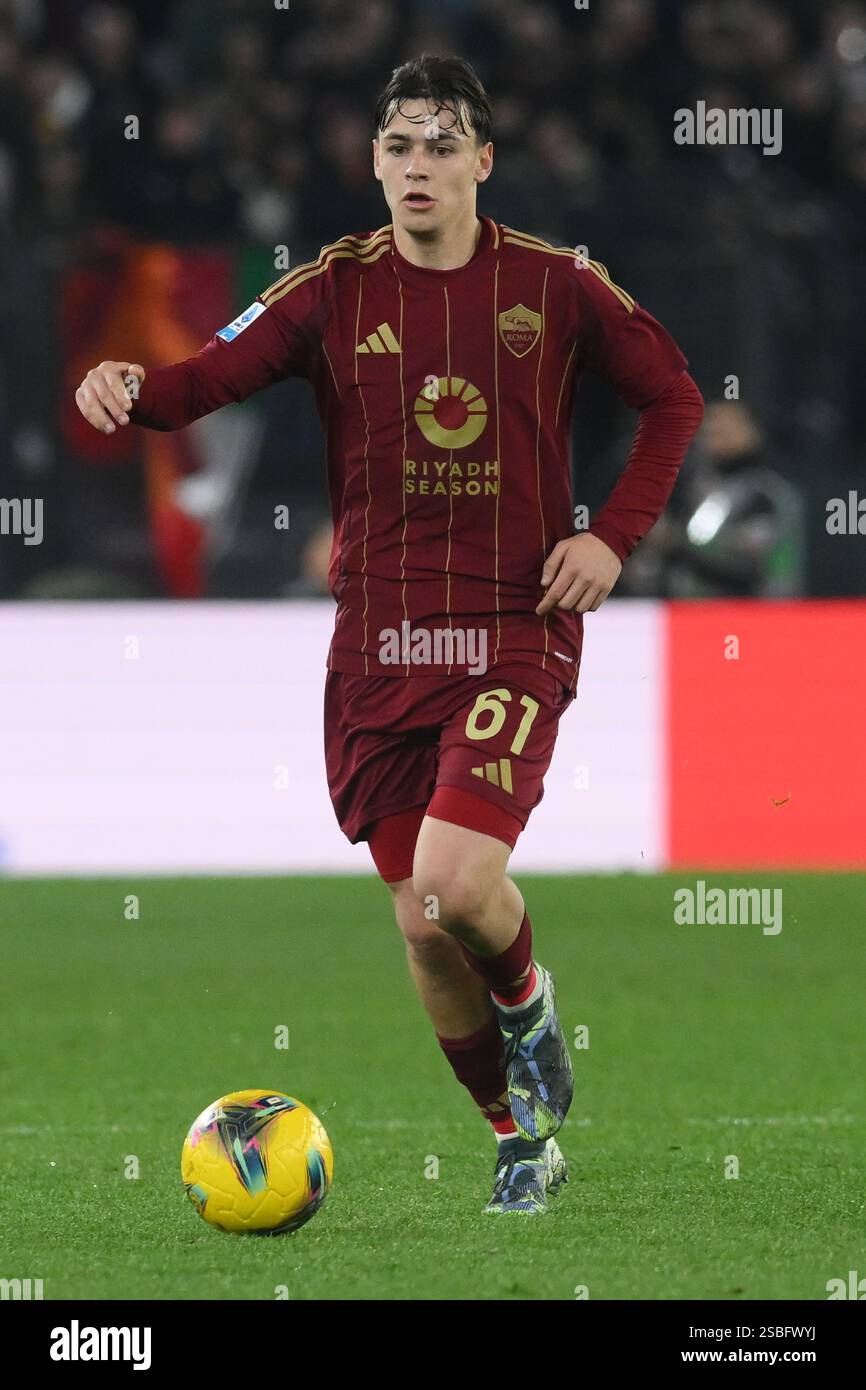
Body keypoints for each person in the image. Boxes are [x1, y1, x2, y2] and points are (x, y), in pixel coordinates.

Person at [75, 53, 704, 1215]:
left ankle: (527, 1005)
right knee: (421, 927)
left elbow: (672, 395)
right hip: (377, 650)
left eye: (441, 143)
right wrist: (125, 383)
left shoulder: (556, 285)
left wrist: (612, 537)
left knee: (459, 885)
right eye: (399, 145)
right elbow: (201, 382)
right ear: (373, 162)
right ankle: (518, 1137)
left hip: (515, 627)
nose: (418, 165)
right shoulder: (327, 289)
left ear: (482, 161)